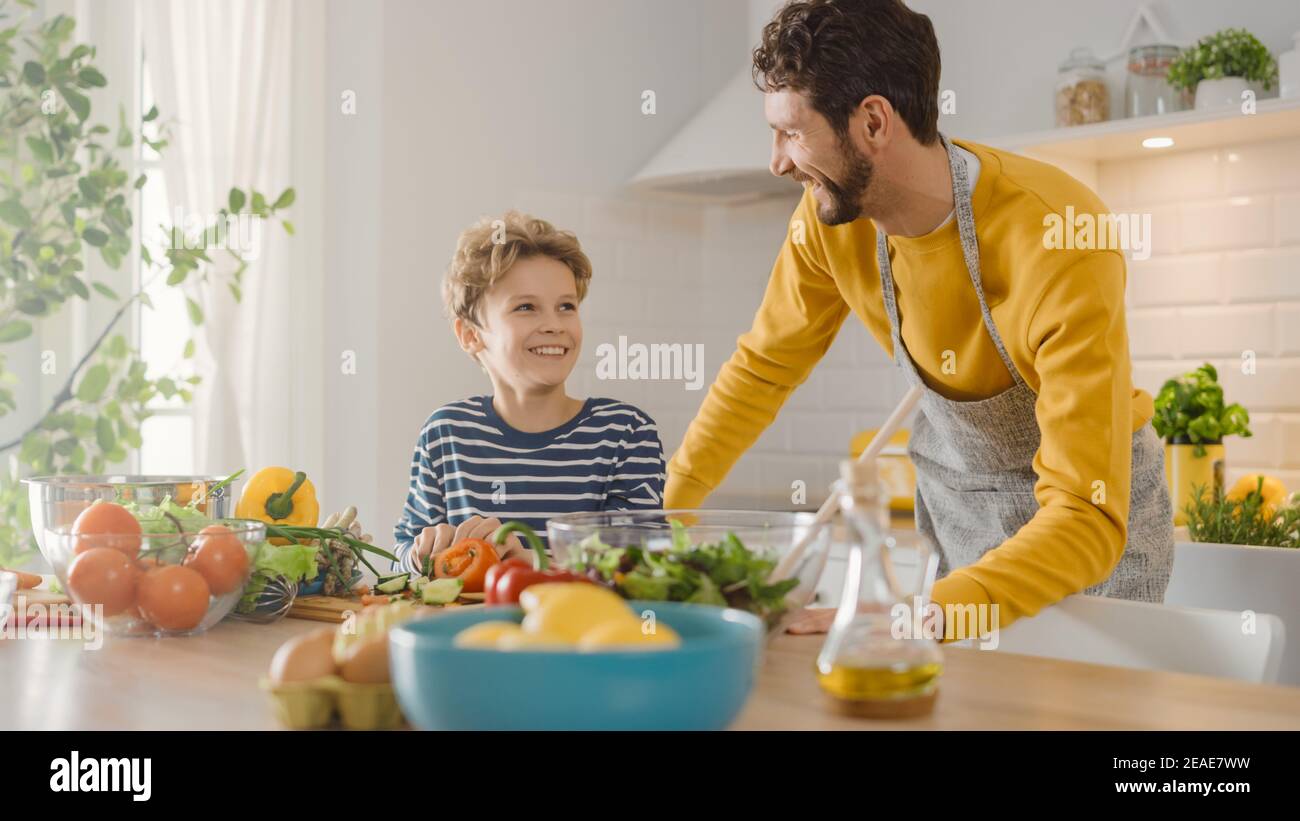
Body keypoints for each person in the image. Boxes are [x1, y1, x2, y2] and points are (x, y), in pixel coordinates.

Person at [664, 0, 1173, 639]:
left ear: (873, 121)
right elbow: (764, 367)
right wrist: (663, 513)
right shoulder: (829, 221)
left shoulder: (1059, 234)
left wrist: (915, 618)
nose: (778, 161)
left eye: (792, 132)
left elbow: (1084, 514)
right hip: (959, 522)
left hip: (1090, 545)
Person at [392, 211, 666, 574]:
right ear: (470, 335)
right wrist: (420, 555)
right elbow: (401, 554)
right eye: (526, 307)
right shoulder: (445, 433)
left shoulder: (625, 434)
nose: (554, 325)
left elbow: (641, 568)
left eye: (566, 306)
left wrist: (533, 564)